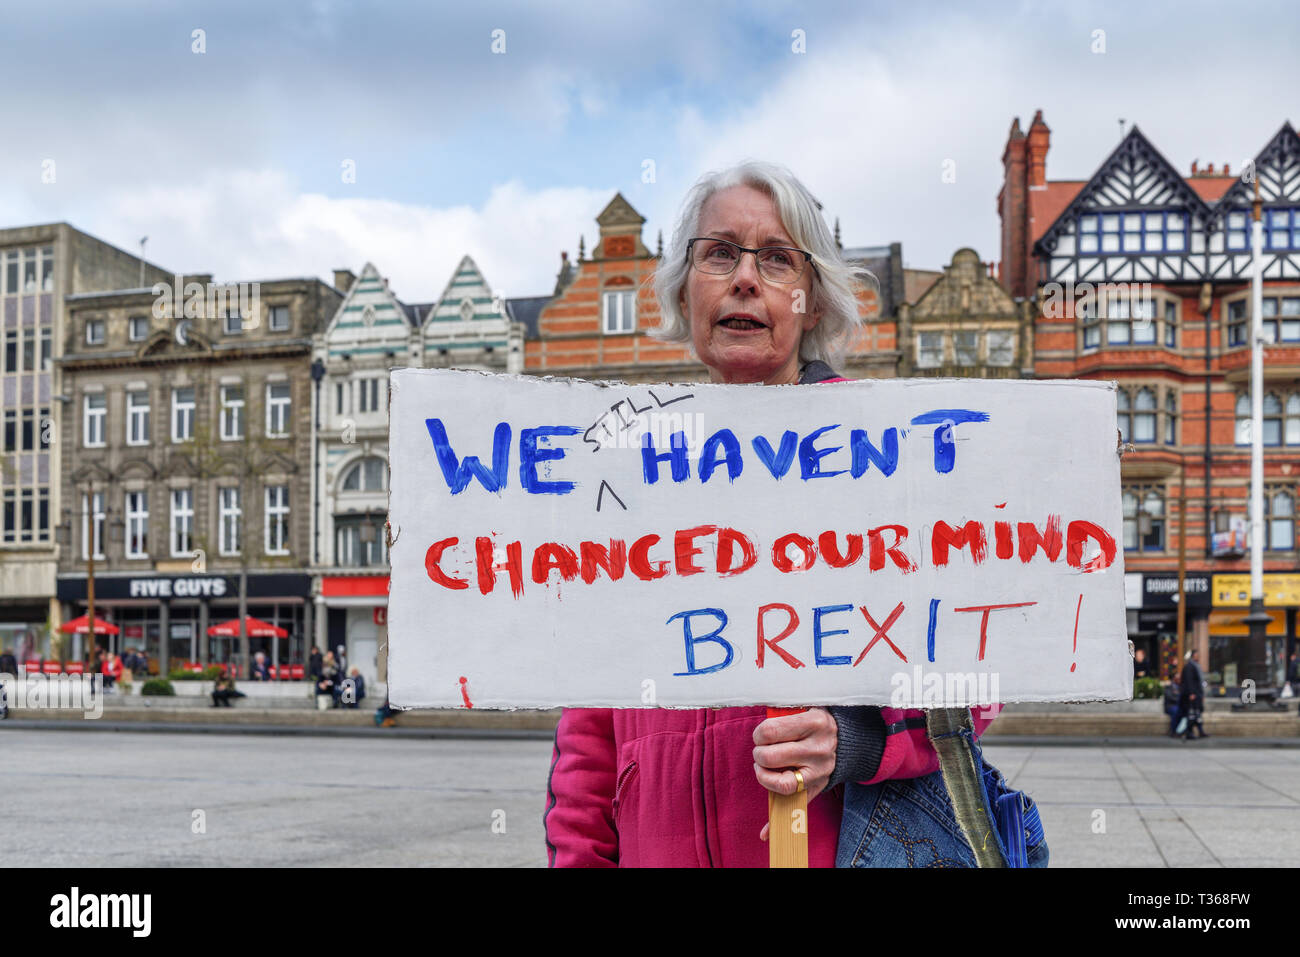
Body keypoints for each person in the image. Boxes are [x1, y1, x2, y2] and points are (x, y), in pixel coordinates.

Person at [543, 161, 1040, 868]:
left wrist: (862, 737)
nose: (745, 277)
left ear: (811, 301)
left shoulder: (884, 458)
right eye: (719, 253)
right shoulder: (629, 482)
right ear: (687, 292)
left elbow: (973, 669)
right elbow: (589, 732)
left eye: (777, 259)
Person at [1180, 649, 1208, 739]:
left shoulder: (1195, 666)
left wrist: (1201, 694)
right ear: (1193, 656)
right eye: (1197, 655)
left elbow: (1199, 682)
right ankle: (1189, 732)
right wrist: (1191, 693)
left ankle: (1200, 731)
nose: (1198, 657)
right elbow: (1189, 681)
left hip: (1197, 694)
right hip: (1192, 695)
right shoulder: (1190, 666)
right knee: (1192, 714)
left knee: (1197, 714)